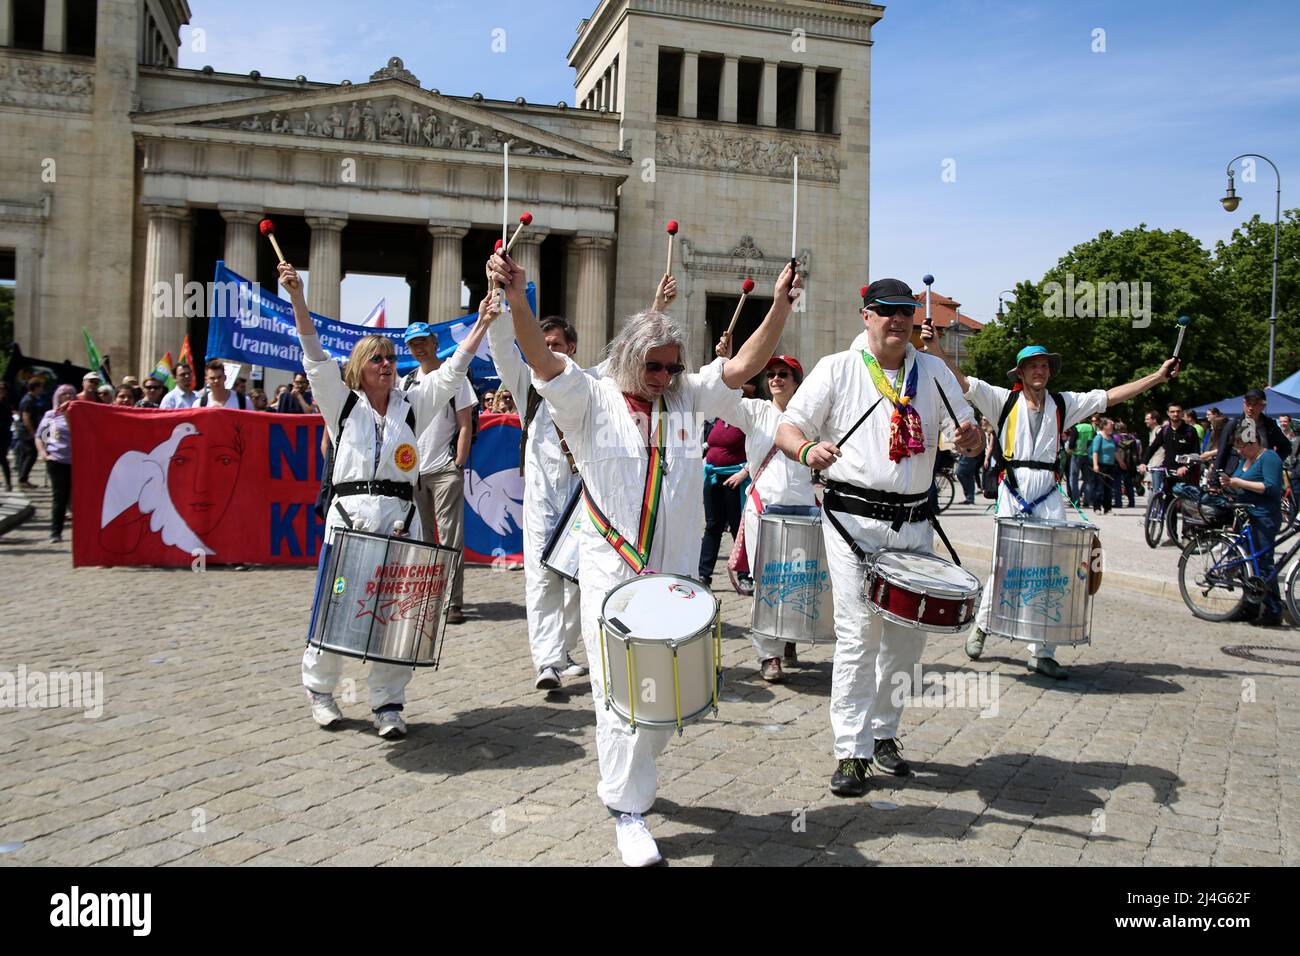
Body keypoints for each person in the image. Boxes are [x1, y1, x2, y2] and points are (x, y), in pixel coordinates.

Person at [491, 244, 798, 867]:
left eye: (673, 367)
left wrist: (781, 307)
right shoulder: (589, 399)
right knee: (618, 698)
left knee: (660, 703)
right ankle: (627, 812)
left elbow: (741, 367)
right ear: (630, 362)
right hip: (611, 573)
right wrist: (518, 298)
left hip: (676, 579)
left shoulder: (686, 395)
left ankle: (632, 789)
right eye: (653, 368)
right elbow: (540, 356)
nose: (664, 378)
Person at [774, 278, 982, 798]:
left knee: (908, 641)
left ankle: (884, 732)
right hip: (852, 521)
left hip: (915, 521)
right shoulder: (837, 368)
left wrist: (972, 437)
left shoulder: (933, 372)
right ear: (865, 315)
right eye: (886, 311)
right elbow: (788, 426)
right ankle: (851, 750)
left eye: (905, 311)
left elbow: (970, 432)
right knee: (858, 634)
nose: (898, 319)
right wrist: (806, 452)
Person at [280, 259, 499, 740]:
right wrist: (298, 298)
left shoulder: (412, 405)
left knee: (398, 615)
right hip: (350, 521)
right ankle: (321, 689)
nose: (387, 365)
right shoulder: (341, 405)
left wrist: (482, 322)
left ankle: (388, 703)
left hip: (401, 521)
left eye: (389, 358)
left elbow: (451, 373)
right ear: (360, 368)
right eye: (378, 358)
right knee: (340, 608)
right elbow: (313, 353)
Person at [923, 331, 1178, 679]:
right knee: (1005, 566)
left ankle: (1042, 652)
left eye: (1044, 365)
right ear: (1021, 373)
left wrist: (1157, 377)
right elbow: (962, 380)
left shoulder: (1064, 404)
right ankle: (983, 626)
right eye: (1033, 366)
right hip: (1013, 490)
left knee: (1052, 573)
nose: (1040, 371)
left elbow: (1109, 397)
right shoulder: (1002, 401)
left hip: (1049, 494)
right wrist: (935, 347)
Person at [488, 308, 590, 691]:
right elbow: (501, 347)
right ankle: (547, 661)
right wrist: (498, 304)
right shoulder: (524, 383)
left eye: (555, 345)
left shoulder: (587, 382)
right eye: (541, 345)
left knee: (580, 577)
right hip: (541, 496)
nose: (546, 351)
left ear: (571, 348)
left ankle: (563, 650)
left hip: (583, 494)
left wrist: (657, 309)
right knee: (543, 575)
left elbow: (621, 362)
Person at [723, 348, 815, 682]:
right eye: (771, 375)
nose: (775, 379)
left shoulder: (812, 416)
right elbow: (722, 396)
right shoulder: (755, 411)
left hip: (804, 507)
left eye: (783, 375)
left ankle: (789, 637)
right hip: (764, 507)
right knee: (768, 582)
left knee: (799, 581)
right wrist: (725, 362)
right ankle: (768, 654)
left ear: (796, 382)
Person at [401, 322, 477, 626]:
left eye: (422, 341)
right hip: (413, 472)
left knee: (450, 539)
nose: (418, 348)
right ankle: (429, 597)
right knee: (422, 539)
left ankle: (452, 602)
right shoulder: (406, 381)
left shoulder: (453, 376)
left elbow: (465, 423)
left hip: (444, 469)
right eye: (412, 344)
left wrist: (458, 462)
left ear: (434, 342)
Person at [1217, 417, 1284, 626]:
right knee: (1248, 565)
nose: (1240, 452)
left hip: (1264, 516)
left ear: (1253, 443)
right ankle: (1250, 606)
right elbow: (1238, 484)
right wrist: (1228, 484)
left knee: (1263, 563)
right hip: (1245, 516)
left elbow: (1271, 487)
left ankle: (1273, 609)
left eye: (1242, 448)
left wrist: (1240, 482)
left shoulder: (1269, 457)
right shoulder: (1245, 461)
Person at [698, 415, 748, 587]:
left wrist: (744, 472)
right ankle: (703, 576)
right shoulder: (716, 420)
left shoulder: (744, 418)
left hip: (735, 479)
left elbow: (757, 449)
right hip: (713, 479)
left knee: (737, 526)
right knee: (713, 526)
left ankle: (744, 575)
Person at [1213, 388, 1290, 477]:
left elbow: (1286, 447)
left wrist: (1273, 463)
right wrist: (1214, 481)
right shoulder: (1234, 424)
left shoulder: (1269, 425)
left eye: (1254, 405)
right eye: (1248, 404)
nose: (1250, 408)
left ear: (1263, 406)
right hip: (1236, 475)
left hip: (1261, 476)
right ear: (1243, 403)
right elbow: (1222, 452)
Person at [34, 384, 76, 543]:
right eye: (64, 394)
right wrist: (43, 453)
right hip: (57, 460)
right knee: (60, 496)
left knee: (77, 498)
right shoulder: (52, 416)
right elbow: (42, 437)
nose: (67, 397)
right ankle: (55, 532)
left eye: (71, 394)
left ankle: (80, 532)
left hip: (77, 461)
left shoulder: (79, 414)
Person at [1139, 402, 1200, 493]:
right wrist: (1143, 463)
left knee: (1184, 503)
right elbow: (1152, 448)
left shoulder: (1190, 430)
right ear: (1168, 413)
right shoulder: (1165, 430)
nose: (1175, 414)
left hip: (1185, 473)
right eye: (1172, 411)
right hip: (1168, 471)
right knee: (1166, 498)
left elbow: (1196, 453)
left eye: (1178, 411)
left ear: (1182, 413)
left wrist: (1186, 467)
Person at [16, 378, 46, 488]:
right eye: (41, 387)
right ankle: (23, 478)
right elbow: (26, 418)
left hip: (27, 431)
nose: (42, 389)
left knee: (26, 455)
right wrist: (32, 433)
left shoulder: (32, 399)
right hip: (26, 432)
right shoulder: (28, 400)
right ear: (36, 387)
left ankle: (22, 478)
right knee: (31, 455)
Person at [1091, 417, 1119, 514]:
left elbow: (1115, 451)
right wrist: (1095, 465)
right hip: (1101, 465)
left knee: (1109, 488)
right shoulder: (1099, 437)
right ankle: (1097, 507)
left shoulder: (1111, 438)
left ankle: (1108, 508)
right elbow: (1095, 452)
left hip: (1110, 465)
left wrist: (1121, 462)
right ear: (1104, 426)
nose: (1112, 426)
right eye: (1110, 425)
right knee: (1099, 487)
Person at [1113, 419, 1139, 508]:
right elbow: (1136, 452)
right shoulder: (1132, 438)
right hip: (1130, 463)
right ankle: (1131, 502)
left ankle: (1118, 502)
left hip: (1118, 463)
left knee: (1117, 483)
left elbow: (1114, 451)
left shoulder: (1115, 438)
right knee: (1129, 484)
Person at [1143, 409, 1165, 496]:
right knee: (1154, 489)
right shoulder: (1152, 431)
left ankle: (1158, 507)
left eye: (1147, 419)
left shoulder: (1159, 430)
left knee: (1157, 490)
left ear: (1154, 420)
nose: (1145, 421)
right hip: (1153, 464)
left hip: (1159, 464)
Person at [0, 380, 13, 491]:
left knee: (3, 459)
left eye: (3, 390)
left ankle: (8, 483)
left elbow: (9, 419)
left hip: (3, 436)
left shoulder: (6, 403)